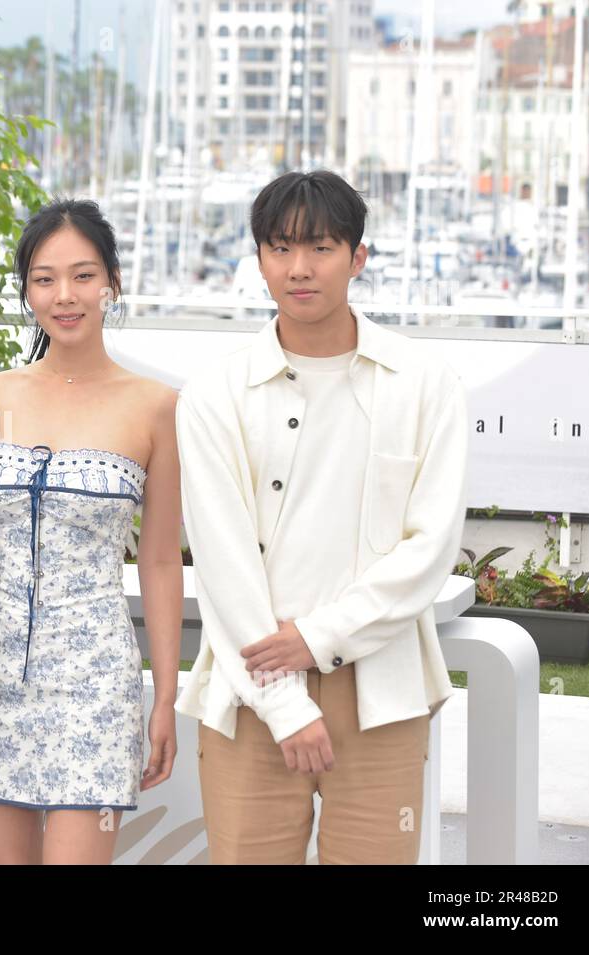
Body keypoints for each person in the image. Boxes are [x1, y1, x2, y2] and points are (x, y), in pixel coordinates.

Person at [174, 169, 469, 864]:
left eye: (322, 248)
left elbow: (429, 550)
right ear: (258, 259)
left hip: (383, 688)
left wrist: (316, 636)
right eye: (279, 248)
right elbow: (220, 561)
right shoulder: (215, 392)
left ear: (358, 258)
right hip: (252, 691)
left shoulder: (426, 384)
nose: (298, 268)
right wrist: (285, 700)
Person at [0, 199, 182, 864]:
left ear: (112, 282)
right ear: (25, 290)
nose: (64, 295)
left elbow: (161, 562)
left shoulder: (156, 406)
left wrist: (165, 696)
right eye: (44, 278)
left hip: (96, 682)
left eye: (83, 275)